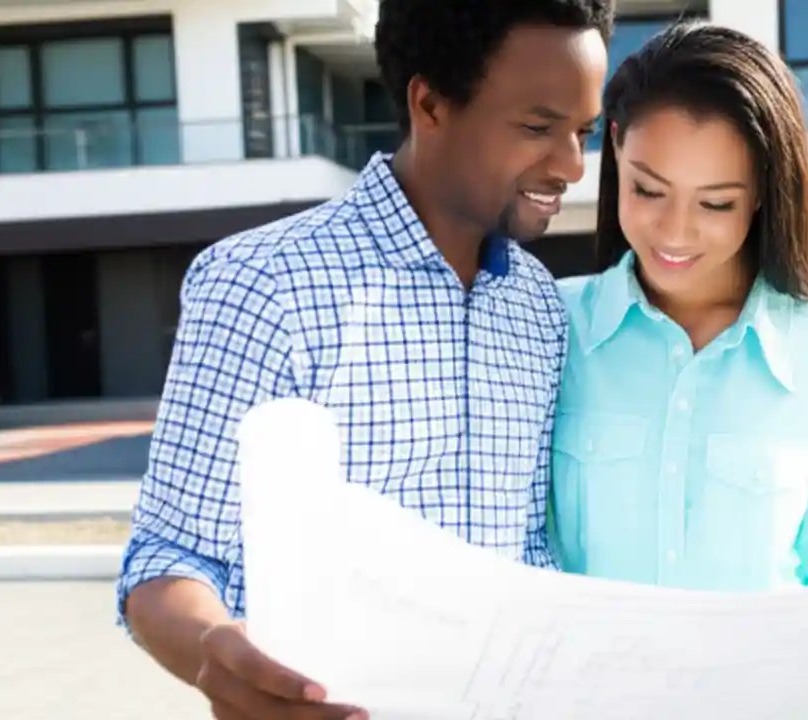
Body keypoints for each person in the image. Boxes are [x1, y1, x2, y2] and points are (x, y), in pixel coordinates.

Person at [115, 2, 611, 718]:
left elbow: (530, 546)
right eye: (538, 128)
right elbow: (167, 556)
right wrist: (211, 651)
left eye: (583, 132)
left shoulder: (538, 305)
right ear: (430, 102)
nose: (570, 165)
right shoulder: (261, 283)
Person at [548, 22, 808, 714]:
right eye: (648, 190)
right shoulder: (544, 326)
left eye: (717, 203)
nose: (675, 232)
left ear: (766, 192)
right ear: (614, 145)